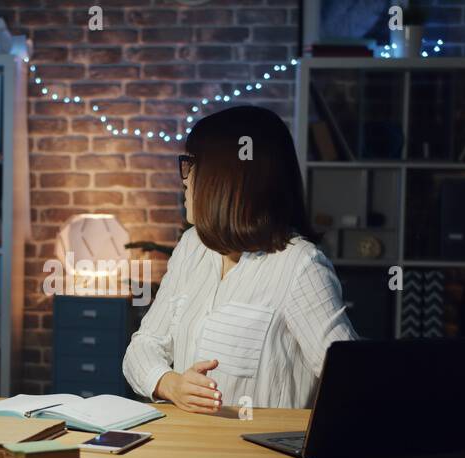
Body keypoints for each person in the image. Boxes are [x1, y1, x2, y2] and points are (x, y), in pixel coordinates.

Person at [123, 105, 358, 414]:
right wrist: (170, 383)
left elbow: (353, 382)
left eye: (192, 165)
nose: (185, 179)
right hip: (190, 446)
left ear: (227, 179)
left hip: (261, 456)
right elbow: (143, 345)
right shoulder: (193, 247)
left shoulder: (300, 265)